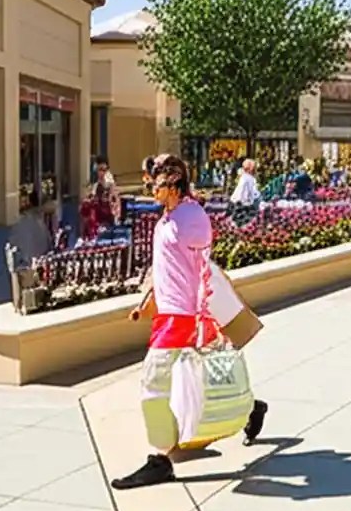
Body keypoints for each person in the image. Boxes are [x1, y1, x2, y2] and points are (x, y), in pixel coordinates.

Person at [111, 156, 268, 490]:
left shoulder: (191, 218)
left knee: (155, 381)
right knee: (194, 381)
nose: (150, 188)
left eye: (155, 183)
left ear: (173, 183)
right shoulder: (168, 218)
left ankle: (159, 460)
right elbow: (166, 270)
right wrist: (147, 304)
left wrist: (203, 320)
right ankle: (251, 408)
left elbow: (202, 270)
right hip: (170, 313)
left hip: (184, 315)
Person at [9, 190, 53, 270]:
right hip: (39, 262)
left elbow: (13, 245)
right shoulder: (39, 221)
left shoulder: (22, 223)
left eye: (25, 201)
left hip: (29, 264)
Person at [92, 156, 121, 227]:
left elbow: (116, 202)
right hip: (98, 222)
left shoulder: (111, 186)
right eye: (101, 170)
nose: (103, 173)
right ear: (96, 170)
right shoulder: (94, 187)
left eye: (105, 170)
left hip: (110, 221)